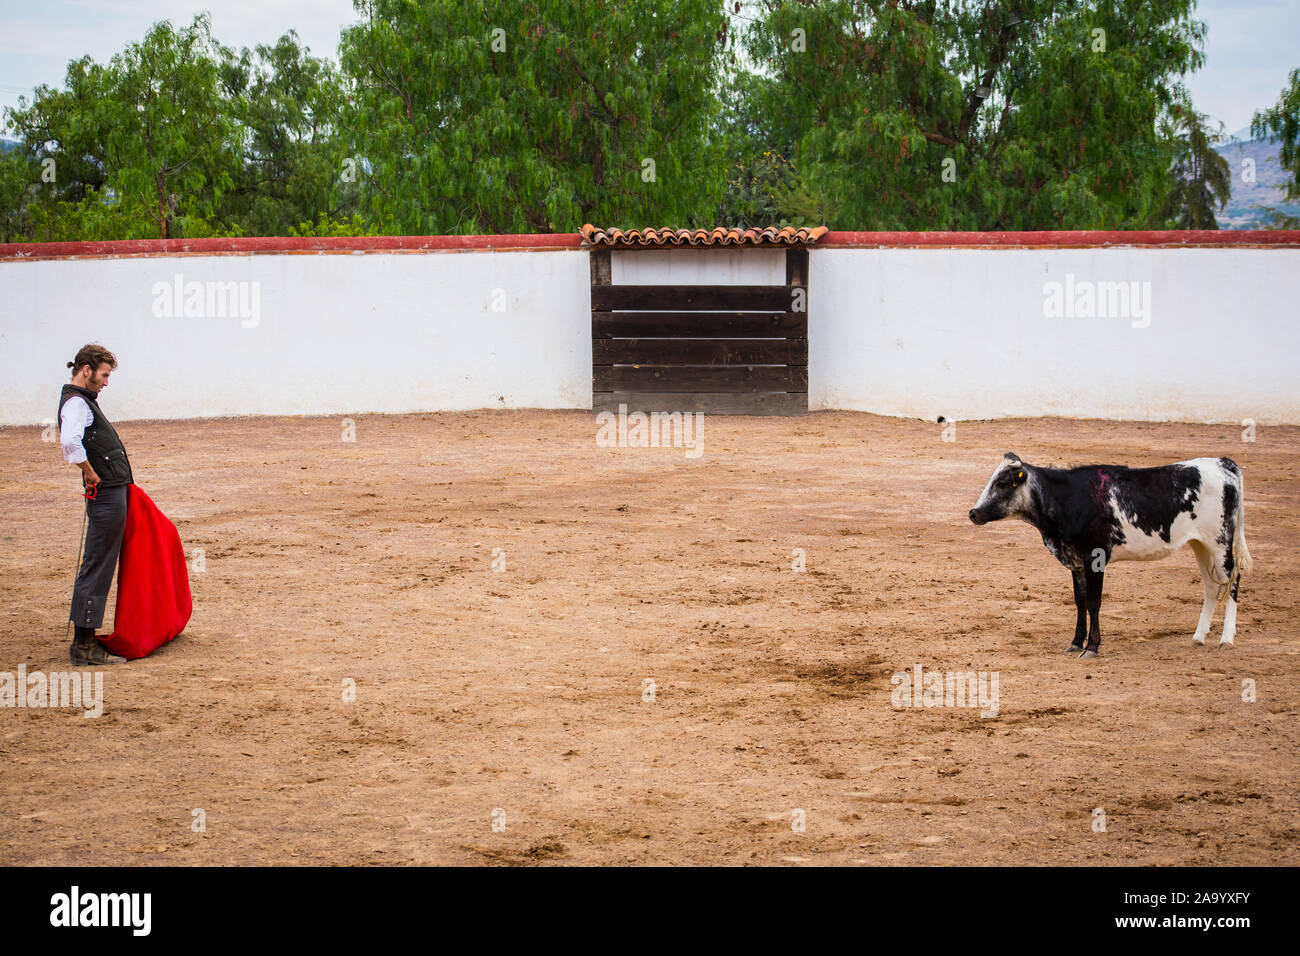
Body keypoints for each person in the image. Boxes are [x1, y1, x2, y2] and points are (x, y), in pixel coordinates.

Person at [59, 343, 134, 665]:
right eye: (103, 375)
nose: (106, 382)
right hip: (105, 492)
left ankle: (85, 639)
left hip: (108, 490)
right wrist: (89, 472)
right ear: (86, 371)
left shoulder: (82, 400)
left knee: (99, 560)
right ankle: (83, 644)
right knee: (98, 562)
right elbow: (70, 442)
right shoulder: (77, 402)